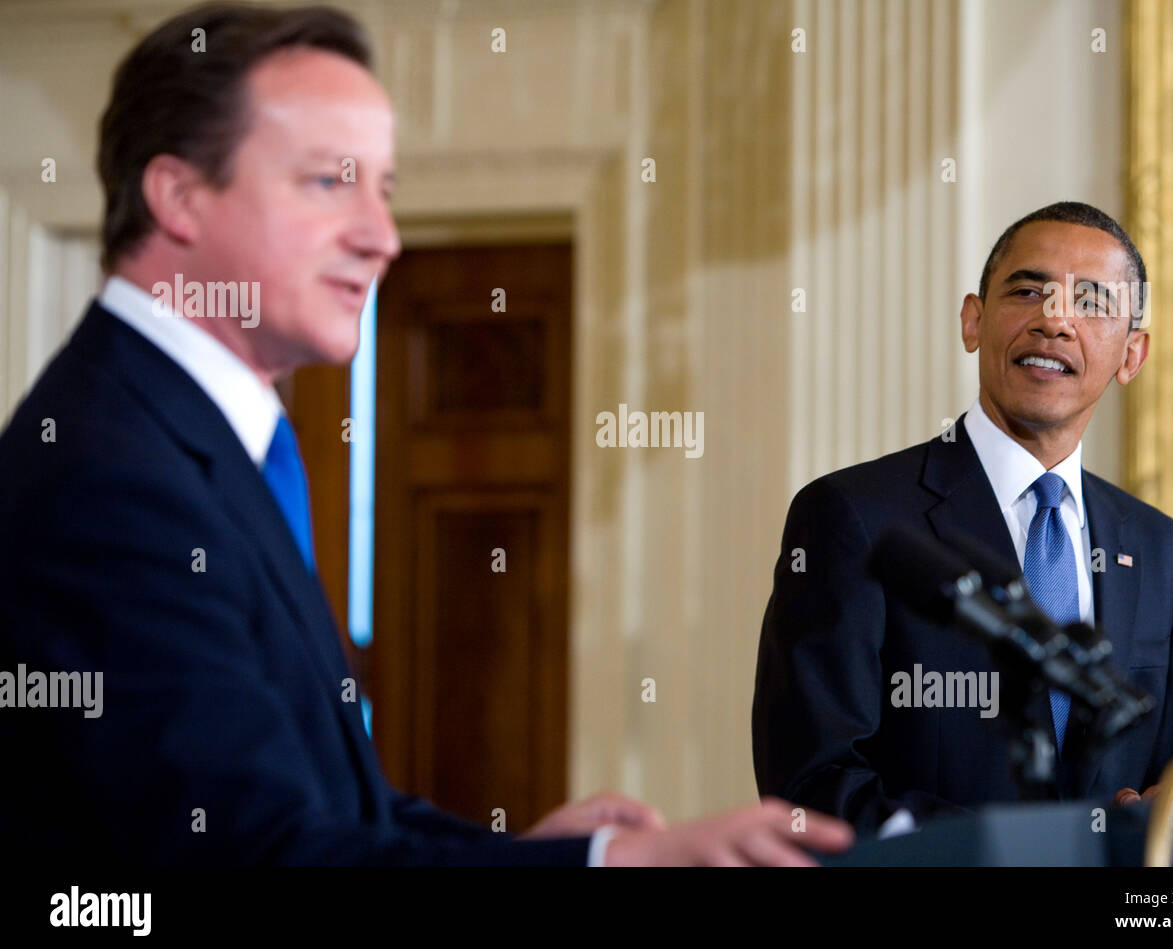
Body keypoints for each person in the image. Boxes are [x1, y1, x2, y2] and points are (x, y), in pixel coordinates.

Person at [0, 2, 852, 867]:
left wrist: (548, 853)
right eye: (331, 181)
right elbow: (257, 855)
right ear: (180, 197)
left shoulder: (193, 438)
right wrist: (615, 865)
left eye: (384, 188)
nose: (383, 238)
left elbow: (334, 812)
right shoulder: (108, 475)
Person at [752, 201, 1173, 833]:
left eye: (1093, 302)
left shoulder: (1165, 550)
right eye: (1028, 291)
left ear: (1132, 355)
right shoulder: (853, 516)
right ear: (973, 321)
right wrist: (1010, 852)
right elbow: (812, 782)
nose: (1055, 322)